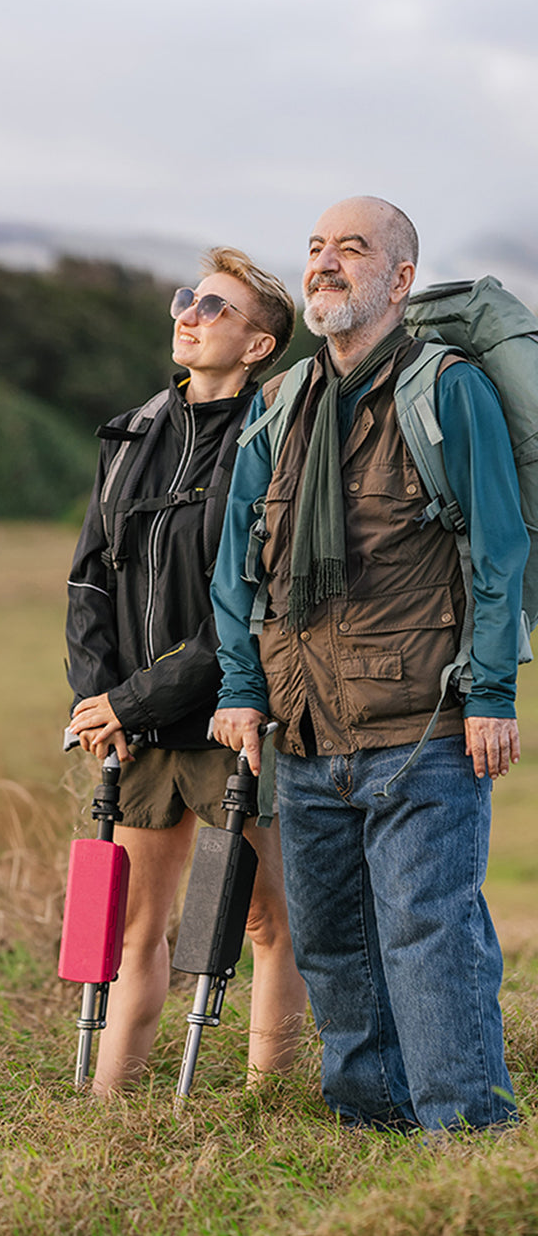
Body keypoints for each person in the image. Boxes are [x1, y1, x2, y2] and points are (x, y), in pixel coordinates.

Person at [211, 197, 529, 1132]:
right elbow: (239, 562)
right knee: (335, 946)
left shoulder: (446, 389)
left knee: (432, 937)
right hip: (306, 727)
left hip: (421, 723)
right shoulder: (279, 402)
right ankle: (369, 1124)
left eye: (353, 248)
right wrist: (239, 689)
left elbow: (497, 550)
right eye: (315, 248)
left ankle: (469, 1134)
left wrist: (494, 692)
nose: (325, 264)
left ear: (399, 279)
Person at [65, 247, 307, 1095]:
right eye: (186, 299)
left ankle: (265, 1104)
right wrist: (97, 701)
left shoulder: (274, 446)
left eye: (215, 308)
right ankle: (106, 1113)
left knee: (266, 921)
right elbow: (89, 576)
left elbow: (247, 605)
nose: (189, 315)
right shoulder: (130, 436)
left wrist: (130, 699)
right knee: (138, 927)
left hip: (233, 714)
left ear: (259, 346)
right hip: (134, 727)